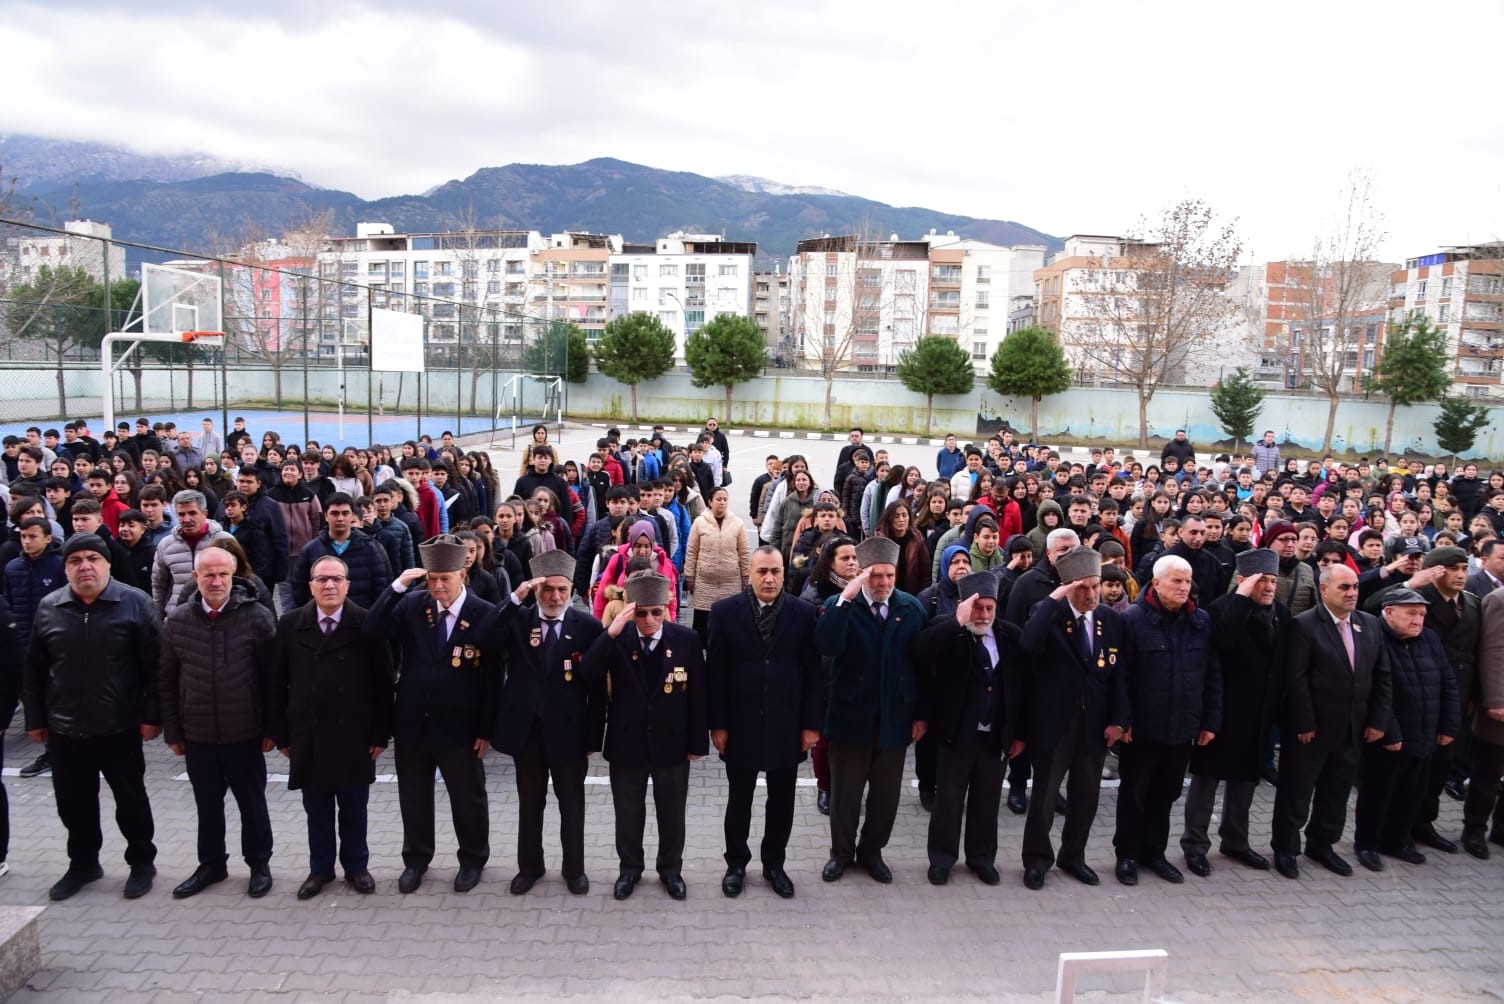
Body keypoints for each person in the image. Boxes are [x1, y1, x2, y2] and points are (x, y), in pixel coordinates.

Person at [23, 534, 161, 901]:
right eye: (75, 560)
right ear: (65, 567)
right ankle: (83, 863)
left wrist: (152, 716)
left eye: (92, 559)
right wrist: (36, 719)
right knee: (73, 802)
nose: (85, 566)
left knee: (130, 800)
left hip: (119, 724)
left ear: (107, 564)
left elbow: (157, 668)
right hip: (65, 728)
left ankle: (141, 862)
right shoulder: (50, 607)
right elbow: (35, 670)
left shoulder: (134, 603)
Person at [366, 535, 499, 894]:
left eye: (445, 578)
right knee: (413, 796)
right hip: (414, 721)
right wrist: (397, 586)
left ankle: (472, 859)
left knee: (468, 797)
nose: (437, 586)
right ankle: (416, 859)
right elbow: (372, 629)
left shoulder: (484, 613)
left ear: (462, 575)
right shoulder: (412, 605)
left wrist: (486, 728)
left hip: (461, 725)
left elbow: (492, 679)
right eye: (432, 578)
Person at [266, 555, 394, 900]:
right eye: (321, 579)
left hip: (354, 733)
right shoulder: (291, 624)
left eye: (336, 579)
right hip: (308, 733)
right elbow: (276, 682)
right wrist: (280, 733)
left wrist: (380, 734)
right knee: (317, 809)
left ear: (347, 584)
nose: (329, 585)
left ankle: (356, 866)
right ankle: (320, 868)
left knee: (354, 807)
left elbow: (384, 684)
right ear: (310, 586)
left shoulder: (366, 624)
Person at [160, 546, 278, 900]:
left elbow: (272, 678)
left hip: (245, 731)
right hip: (198, 733)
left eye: (222, 574)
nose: (215, 581)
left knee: (251, 802)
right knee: (207, 805)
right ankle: (211, 864)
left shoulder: (257, 617)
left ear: (233, 576)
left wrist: (272, 728)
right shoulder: (179, 620)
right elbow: (166, 679)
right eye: (208, 574)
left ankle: (259, 863)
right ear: (195, 577)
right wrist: (173, 730)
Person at [706, 547, 823, 900]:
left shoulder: (803, 614)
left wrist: (811, 724)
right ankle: (736, 864)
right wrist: (718, 724)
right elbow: (716, 674)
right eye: (762, 572)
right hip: (740, 724)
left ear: (785, 574)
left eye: (775, 571)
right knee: (739, 799)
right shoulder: (725, 612)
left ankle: (774, 864)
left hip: (786, 724)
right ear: (750, 573)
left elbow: (814, 673)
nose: (769, 578)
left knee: (782, 800)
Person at [583, 572, 707, 901]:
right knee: (627, 813)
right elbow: (588, 673)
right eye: (641, 613)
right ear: (630, 611)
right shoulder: (617, 638)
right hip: (627, 743)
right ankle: (630, 869)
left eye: (656, 611)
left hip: (672, 742)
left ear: (667, 607)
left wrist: (697, 743)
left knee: (672, 813)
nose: (649, 619)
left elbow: (698, 693)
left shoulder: (686, 639)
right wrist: (610, 632)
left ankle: (670, 870)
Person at [488, 551, 605, 897]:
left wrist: (593, 738)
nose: (555, 597)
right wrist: (515, 597)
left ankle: (574, 869)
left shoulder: (587, 627)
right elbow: (484, 636)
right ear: (537, 590)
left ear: (571, 590)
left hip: (570, 733)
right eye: (548, 590)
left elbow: (597, 689)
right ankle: (530, 867)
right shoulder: (518, 620)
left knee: (572, 805)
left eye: (562, 590)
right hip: (527, 732)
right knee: (530, 803)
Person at [815, 536, 928, 885]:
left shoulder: (910, 608)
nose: (883, 583)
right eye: (876, 576)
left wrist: (920, 714)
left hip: (894, 720)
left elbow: (922, 666)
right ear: (862, 573)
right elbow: (826, 644)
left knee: (885, 797)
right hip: (851, 718)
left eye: (890, 576)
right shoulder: (840, 604)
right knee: (845, 796)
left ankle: (872, 852)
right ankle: (841, 854)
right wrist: (846, 601)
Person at [1018, 546, 1131, 890]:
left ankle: (1073, 856)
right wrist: (1054, 600)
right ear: (1067, 587)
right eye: (1083, 587)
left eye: (1096, 586)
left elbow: (1120, 675)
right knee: (1045, 796)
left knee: (1086, 796)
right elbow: (1027, 644)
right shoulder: (1048, 613)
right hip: (1055, 723)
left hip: (1094, 724)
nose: (1093, 593)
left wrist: (1120, 719)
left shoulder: (1111, 620)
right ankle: (1037, 860)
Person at [1271, 563, 1392, 879]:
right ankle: (1286, 848)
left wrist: (1378, 719)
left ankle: (1322, 844)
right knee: (1296, 793)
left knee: (1336, 793)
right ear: (1324, 590)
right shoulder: (1304, 625)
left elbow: (1382, 675)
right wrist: (1304, 722)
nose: (1352, 593)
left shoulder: (1370, 624)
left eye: (1354, 587)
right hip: (1312, 730)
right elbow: (1296, 679)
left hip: (1353, 727)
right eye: (1344, 587)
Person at [1181, 548, 1286, 876]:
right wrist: (1241, 598)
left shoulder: (1281, 613)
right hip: (1222, 713)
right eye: (1261, 581)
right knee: (1206, 782)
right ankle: (1195, 845)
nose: (1269, 587)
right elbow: (1222, 641)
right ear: (1242, 581)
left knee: (1244, 782)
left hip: (1258, 715)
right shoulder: (1222, 609)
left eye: (1273, 580)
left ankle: (1236, 840)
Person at [916, 572, 1023, 886]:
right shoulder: (946, 631)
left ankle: (981, 858)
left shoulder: (1009, 636)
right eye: (978, 608)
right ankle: (941, 859)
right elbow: (921, 652)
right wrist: (957, 623)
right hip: (956, 734)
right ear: (963, 605)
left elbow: (1020, 688)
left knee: (987, 802)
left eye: (990, 608)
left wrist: (1018, 733)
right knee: (949, 800)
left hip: (995, 735)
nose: (985, 615)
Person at [1353, 588, 1459, 872]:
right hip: (1389, 736)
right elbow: (1374, 691)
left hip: (1426, 731)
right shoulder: (1373, 639)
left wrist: (1449, 725)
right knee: (1378, 792)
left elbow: (1448, 681)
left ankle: (1398, 841)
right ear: (1388, 612)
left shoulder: (1430, 639)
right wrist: (1390, 732)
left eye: (1422, 614)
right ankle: (1367, 844)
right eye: (1411, 613)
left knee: (1413, 792)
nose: (1418, 620)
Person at [288, 492, 394, 609]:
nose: (340, 518)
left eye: (345, 513)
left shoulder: (372, 549)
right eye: (334, 513)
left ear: (352, 516)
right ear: (326, 516)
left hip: (362, 619)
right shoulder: (310, 550)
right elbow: (299, 591)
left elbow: (382, 588)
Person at [683, 486, 751, 649]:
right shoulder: (700, 522)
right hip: (705, 583)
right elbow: (692, 551)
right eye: (718, 499)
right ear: (710, 502)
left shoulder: (737, 523)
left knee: (729, 624)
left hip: (730, 583)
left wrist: (745, 576)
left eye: (725, 499)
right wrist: (690, 576)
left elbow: (745, 552)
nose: (722, 502)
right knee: (702, 627)